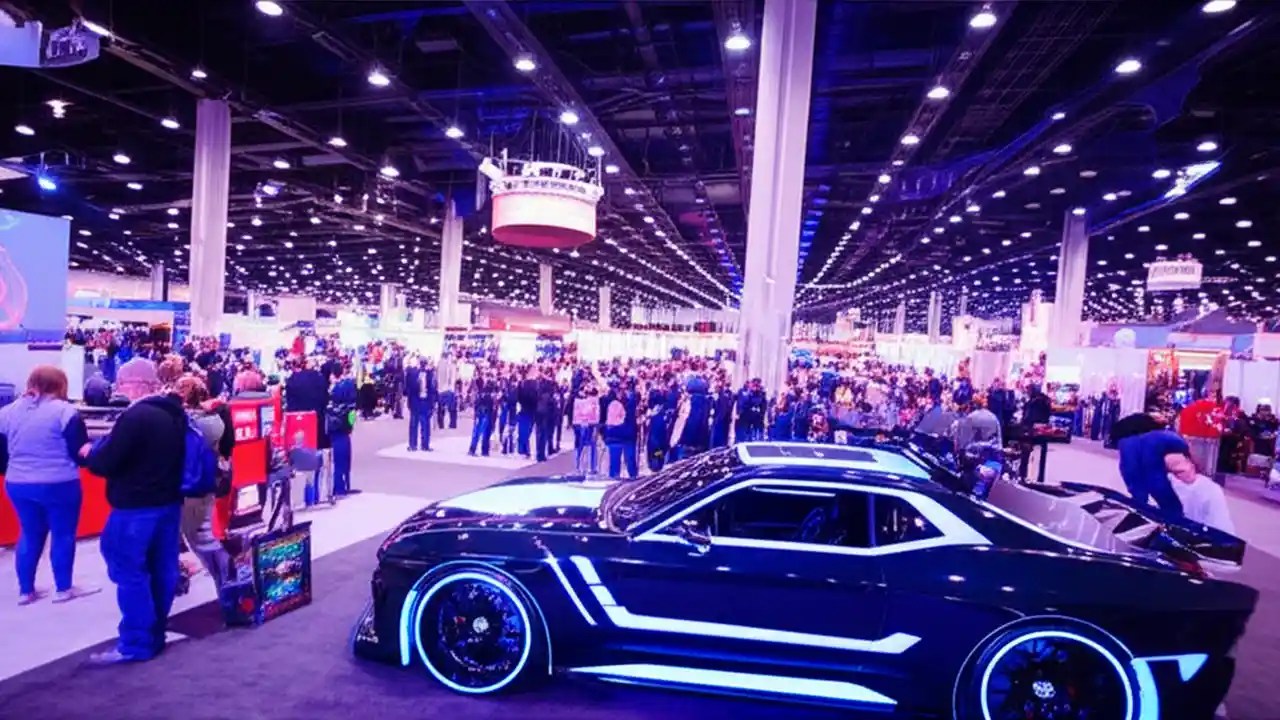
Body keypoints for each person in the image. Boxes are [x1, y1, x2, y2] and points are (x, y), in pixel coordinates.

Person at [83, 358, 188, 664]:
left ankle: (136, 642)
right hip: (168, 503)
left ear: (137, 384)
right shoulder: (174, 413)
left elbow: (107, 462)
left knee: (129, 571)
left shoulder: (136, 416)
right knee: (162, 570)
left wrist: (91, 454)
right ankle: (154, 634)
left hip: (134, 507)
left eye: (123, 383)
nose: (119, 390)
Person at [0, 366, 94, 605]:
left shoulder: (7, 412)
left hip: (18, 483)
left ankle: (25, 591)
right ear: (60, 385)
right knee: (63, 535)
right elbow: (79, 453)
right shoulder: (66, 412)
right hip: (59, 483)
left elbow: (2, 455)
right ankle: (63, 589)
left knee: (29, 534)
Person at [173, 376, 230, 593]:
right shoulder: (215, 420)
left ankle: (227, 581)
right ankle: (226, 580)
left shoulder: (187, 424)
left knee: (201, 539)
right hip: (207, 483)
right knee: (203, 534)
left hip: (189, 487)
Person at [1112, 412, 1187, 517]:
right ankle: (1175, 519)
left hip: (1135, 470)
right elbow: (1180, 443)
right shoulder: (1159, 436)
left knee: (1142, 493)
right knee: (1165, 497)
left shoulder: (1125, 443)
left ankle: (1141, 515)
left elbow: (1128, 470)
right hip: (1158, 472)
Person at [1165, 453, 1235, 534]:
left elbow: (1221, 527)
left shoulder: (1210, 489)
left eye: (1180, 471)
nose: (1178, 476)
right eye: (1174, 472)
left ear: (1191, 464)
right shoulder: (1168, 484)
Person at [328, 365, 357, 495]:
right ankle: (345, 483)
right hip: (345, 425)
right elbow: (353, 410)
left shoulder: (332, 390)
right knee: (345, 457)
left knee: (338, 458)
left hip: (335, 425)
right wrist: (351, 425)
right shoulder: (350, 385)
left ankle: (338, 486)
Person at [601, 380, 639, 479]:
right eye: (619, 390)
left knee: (629, 460)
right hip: (616, 435)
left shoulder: (632, 402)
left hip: (626, 434)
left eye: (624, 389)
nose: (622, 392)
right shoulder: (609, 401)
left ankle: (632, 477)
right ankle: (618, 477)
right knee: (616, 462)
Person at [404, 357, 437, 452]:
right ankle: (412, 444)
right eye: (421, 363)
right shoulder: (412, 373)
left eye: (424, 364)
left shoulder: (430, 374)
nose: (423, 365)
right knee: (414, 424)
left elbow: (433, 389)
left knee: (425, 424)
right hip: (415, 401)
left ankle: (425, 445)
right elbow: (409, 388)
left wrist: (433, 403)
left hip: (425, 401)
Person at [572, 380, 600, 473]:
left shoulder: (592, 401)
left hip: (588, 424)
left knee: (589, 445)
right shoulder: (578, 400)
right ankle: (582, 466)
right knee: (583, 445)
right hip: (582, 424)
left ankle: (589, 466)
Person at [469, 377, 496, 457]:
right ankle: (484, 450)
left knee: (477, 431)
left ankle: (473, 449)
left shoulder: (480, 391)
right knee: (485, 432)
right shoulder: (490, 392)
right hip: (486, 411)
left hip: (480, 411)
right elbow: (492, 404)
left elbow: (476, 402)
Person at [436, 354, 458, 430]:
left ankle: (441, 424)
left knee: (440, 408)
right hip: (450, 389)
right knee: (452, 409)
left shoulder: (439, 365)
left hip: (441, 390)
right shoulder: (452, 366)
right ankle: (452, 424)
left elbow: (436, 377)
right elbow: (454, 378)